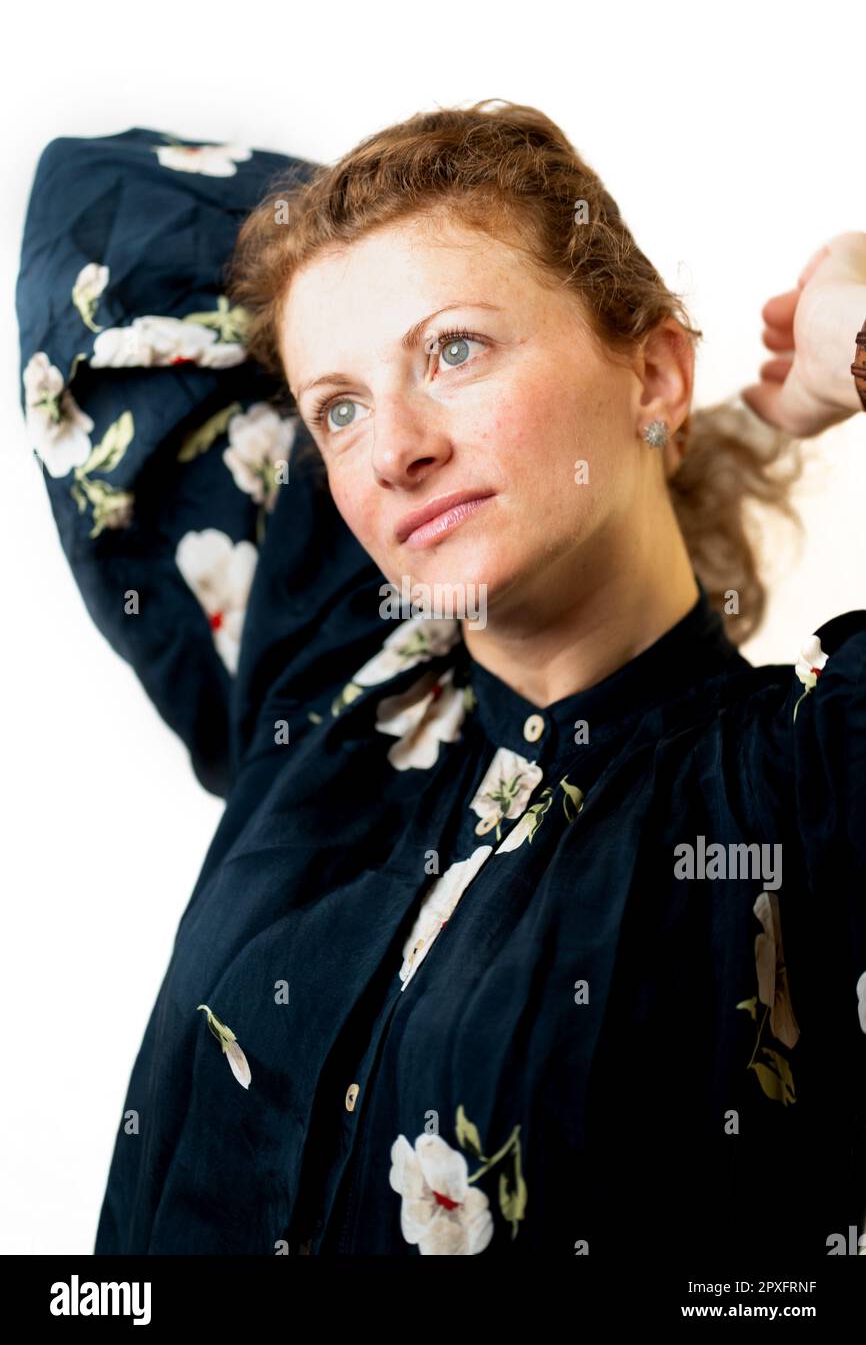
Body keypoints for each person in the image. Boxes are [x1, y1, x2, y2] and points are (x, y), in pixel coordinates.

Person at [15, 100, 866, 1258]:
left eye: (453, 349)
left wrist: (854, 334)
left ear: (654, 370)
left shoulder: (796, 784)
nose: (392, 449)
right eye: (338, 407)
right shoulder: (334, 677)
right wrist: (723, 433)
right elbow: (97, 218)